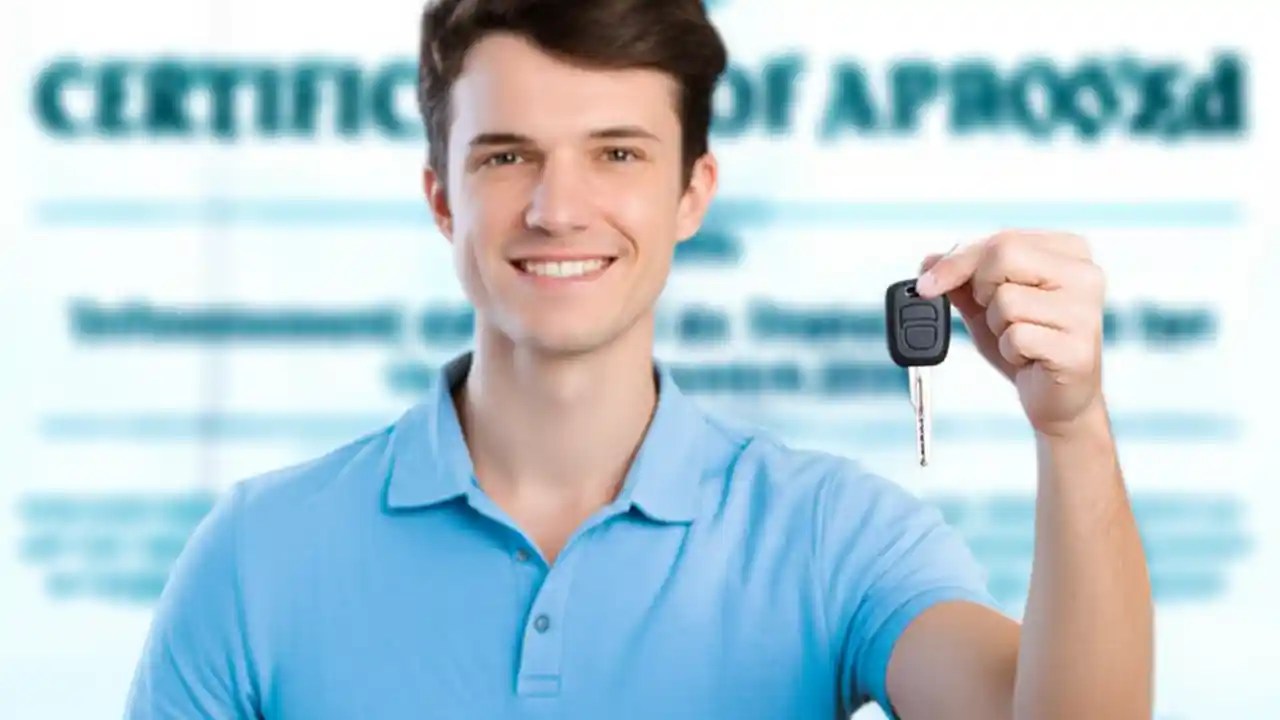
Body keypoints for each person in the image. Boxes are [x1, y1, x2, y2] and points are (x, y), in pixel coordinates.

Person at [123, 0, 1154, 718]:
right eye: (505, 154)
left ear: (692, 193)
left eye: (616, 152)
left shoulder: (832, 537)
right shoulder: (251, 558)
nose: (556, 207)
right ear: (440, 196)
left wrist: (1071, 430)